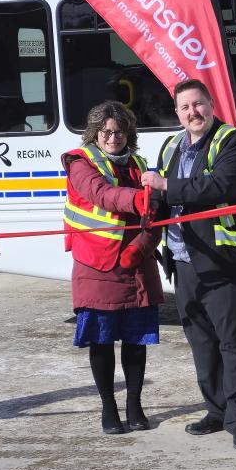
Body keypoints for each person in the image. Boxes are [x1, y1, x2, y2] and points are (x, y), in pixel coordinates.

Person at [140, 79, 236, 451]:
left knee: (234, 344)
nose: (192, 112)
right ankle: (216, 411)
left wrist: (165, 185)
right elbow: (161, 200)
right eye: (185, 107)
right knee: (202, 344)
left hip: (229, 262)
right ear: (177, 112)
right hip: (184, 262)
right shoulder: (171, 145)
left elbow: (220, 187)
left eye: (198, 104)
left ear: (211, 104)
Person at [62, 101, 163, 434]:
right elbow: (101, 194)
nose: (113, 137)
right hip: (98, 266)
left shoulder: (140, 164)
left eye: (120, 131)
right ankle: (109, 409)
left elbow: (156, 216)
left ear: (128, 133)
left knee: (136, 342)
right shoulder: (80, 163)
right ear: (95, 133)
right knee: (101, 342)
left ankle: (134, 406)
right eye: (106, 131)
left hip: (137, 265)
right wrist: (137, 199)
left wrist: (142, 246)